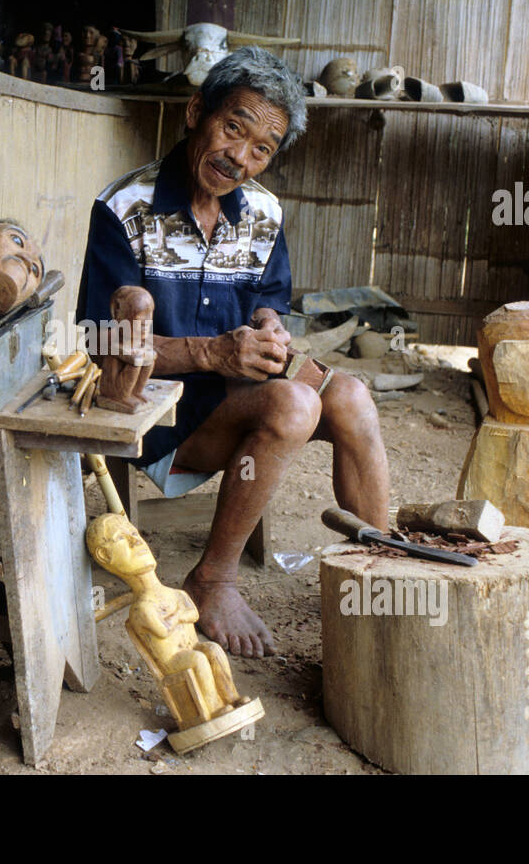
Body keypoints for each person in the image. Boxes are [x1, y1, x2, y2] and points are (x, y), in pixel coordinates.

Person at [77, 47, 391, 658]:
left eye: (261, 148)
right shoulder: (125, 207)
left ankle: (384, 575)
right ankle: (213, 578)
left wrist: (271, 328)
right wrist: (214, 354)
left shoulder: (265, 214)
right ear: (197, 112)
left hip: (235, 404)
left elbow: (271, 304)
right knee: (294, 408)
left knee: (350, 396)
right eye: (232, 128)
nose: (239, 157)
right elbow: (99, 344)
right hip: (156, 421)